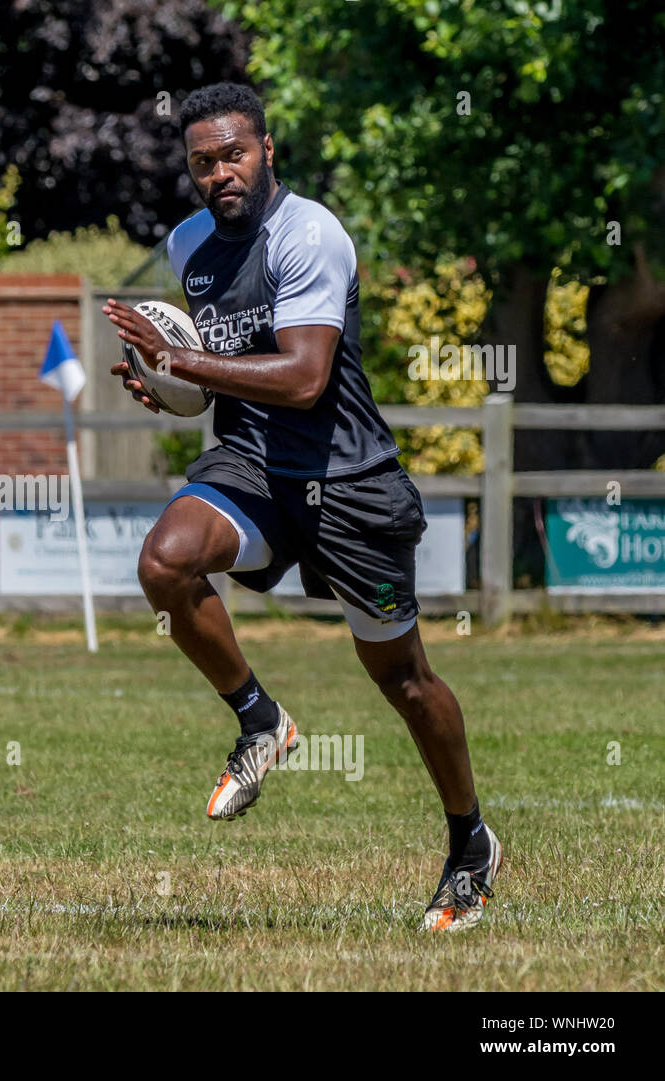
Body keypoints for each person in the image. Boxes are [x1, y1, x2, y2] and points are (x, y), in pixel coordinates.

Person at [104, 83, 501, 932]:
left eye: (234, 154)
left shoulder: (310, 234)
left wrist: (184, 363)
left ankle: (470, 842)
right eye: (203, 161)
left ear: (267, 150)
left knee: (403, 679)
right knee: (164, 560)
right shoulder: (188, 247)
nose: (220, 173)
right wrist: (160, 380)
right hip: (250, 463)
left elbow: (304, 377)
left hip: (347, 477)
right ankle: (261, 720)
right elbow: (208, 364)